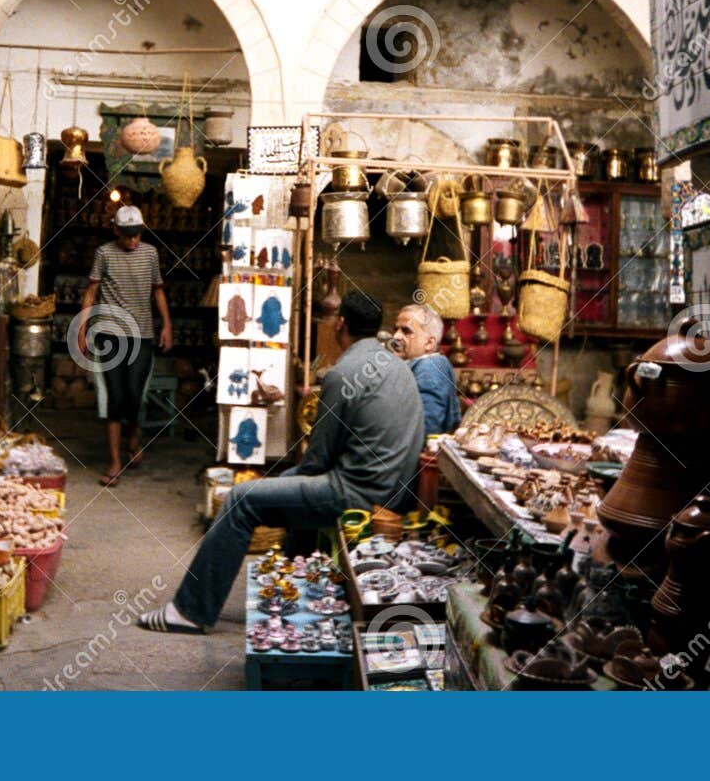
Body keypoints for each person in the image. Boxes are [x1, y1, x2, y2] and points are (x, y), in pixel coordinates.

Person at [138, 292, 422, 634]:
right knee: (288, 484)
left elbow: (316, 461)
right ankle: (289, 591)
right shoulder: (397, 365)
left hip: (359, 493)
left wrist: (286, 481)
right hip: (395, 489)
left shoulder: (343, 373)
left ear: (341, 324)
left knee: (242, 498)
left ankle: (190, 611)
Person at [77, 204, 172, 486]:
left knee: (134, 394)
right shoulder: (104, 253)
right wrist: (82, 329)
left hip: (142, 335)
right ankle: (115, 461)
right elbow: (91, 292)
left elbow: (158, 291)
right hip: (110, 335)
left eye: (137, 234)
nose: (133, 241)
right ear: (115, 229)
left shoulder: (150, 253)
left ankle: (133, 436)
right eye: (127, 235)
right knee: (115, 398)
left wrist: (167, 325)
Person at [391, 302, 461, 438]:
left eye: (406, 331)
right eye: (396, 329)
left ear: (429, 343)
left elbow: (427, 428)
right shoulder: (425, 364)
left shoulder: (429, 368)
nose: (396, 336)